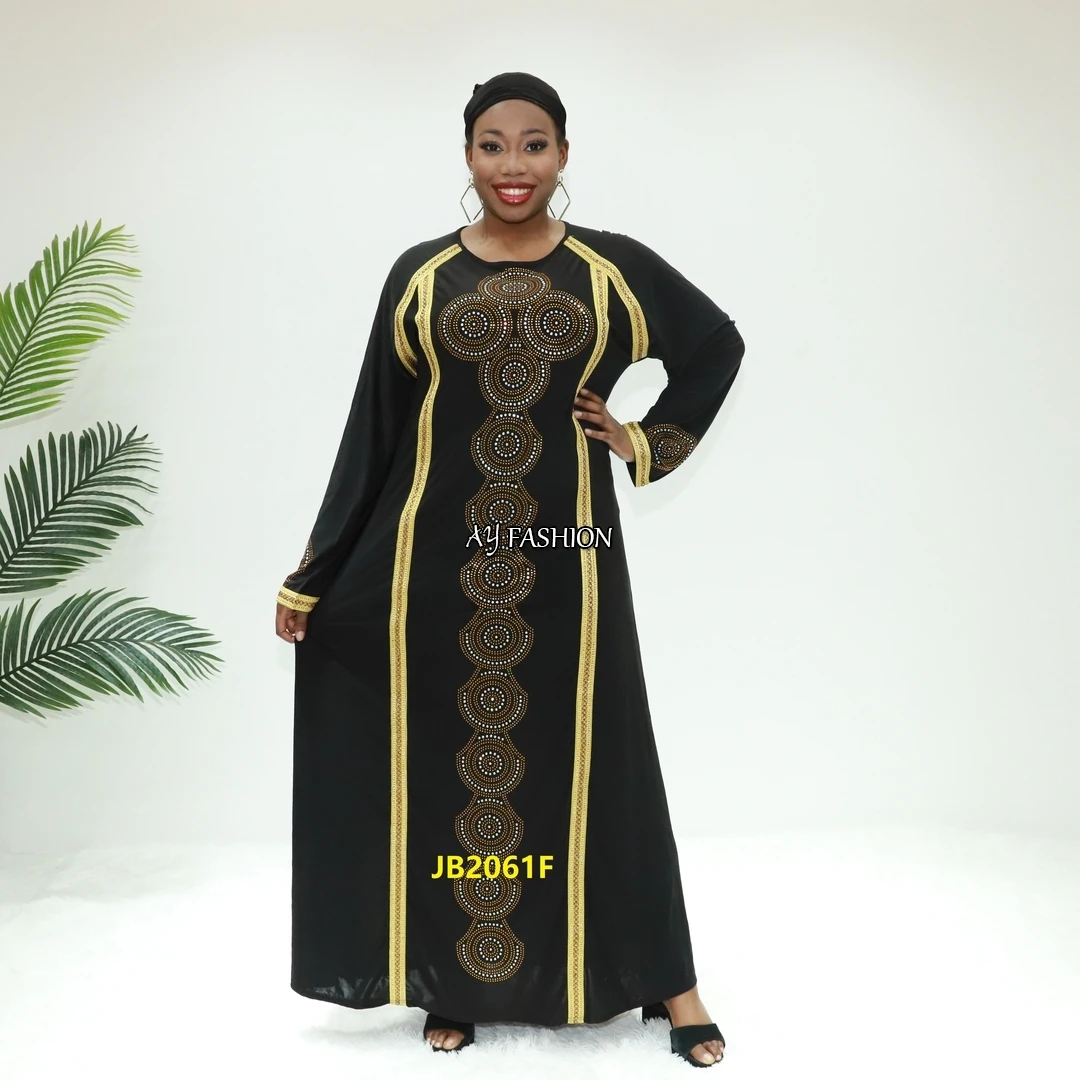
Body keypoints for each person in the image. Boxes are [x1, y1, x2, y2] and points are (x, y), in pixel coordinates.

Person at [274, 71, 745, 1068]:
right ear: (467, 156)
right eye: (493, 145)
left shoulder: (612, 270)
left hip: (571, 564)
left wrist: (643, 439)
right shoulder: (420, 275)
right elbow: (376, 431)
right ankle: (456, 979)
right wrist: (317, 571)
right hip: (433, 564)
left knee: (605, 762)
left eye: (534, 144)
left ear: (564, 154)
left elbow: (715, 345)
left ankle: (673, 982)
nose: (514, 165)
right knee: (456, 767)